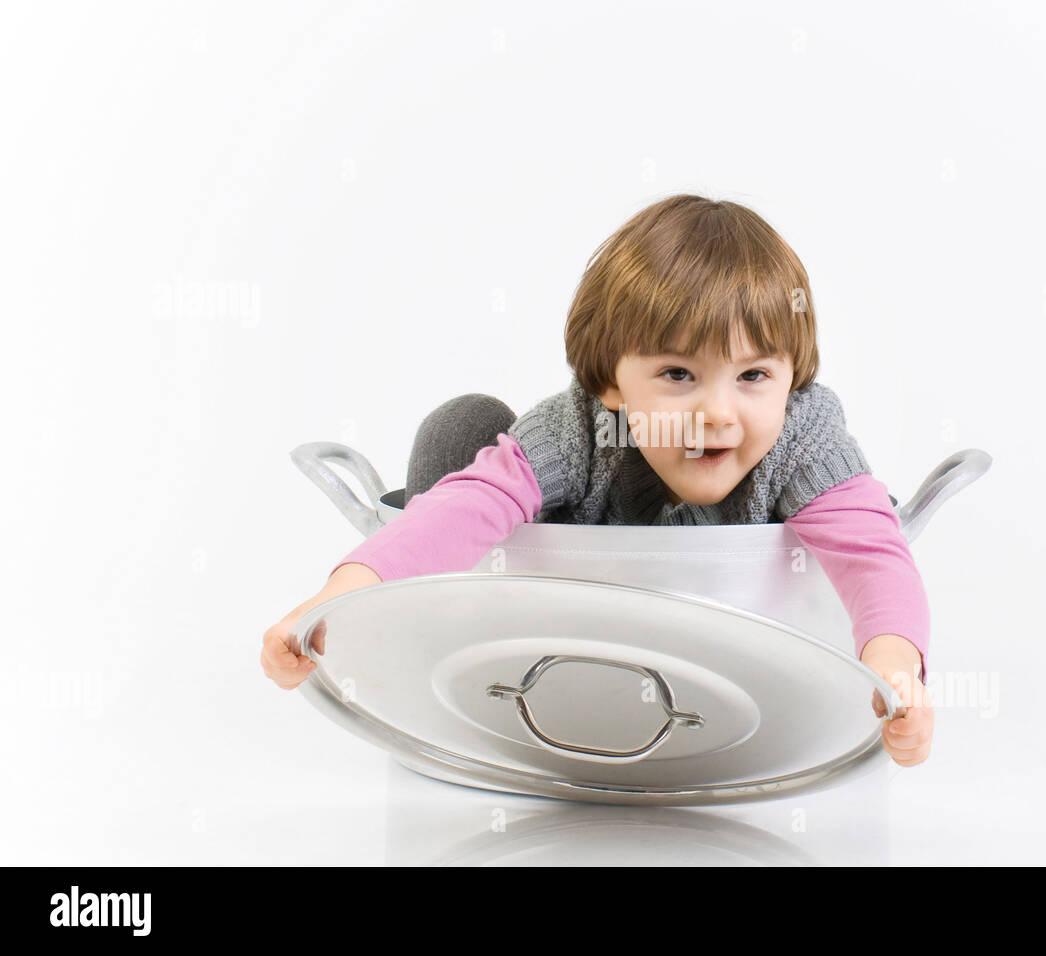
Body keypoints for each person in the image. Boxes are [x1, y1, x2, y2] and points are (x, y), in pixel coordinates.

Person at [261, 194, 935, 766]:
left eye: (754, 376)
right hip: (547, 645)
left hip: (722, 671)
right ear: (611, 382)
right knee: (464, 428)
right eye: (678, 375)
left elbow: (873, 554)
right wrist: (338, 601)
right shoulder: (581, 430)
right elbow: (468, 506)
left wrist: (895, 668)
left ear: (793, 379)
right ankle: (426, 636)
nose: (720, 413)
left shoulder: (802, 435)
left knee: (859, 523)